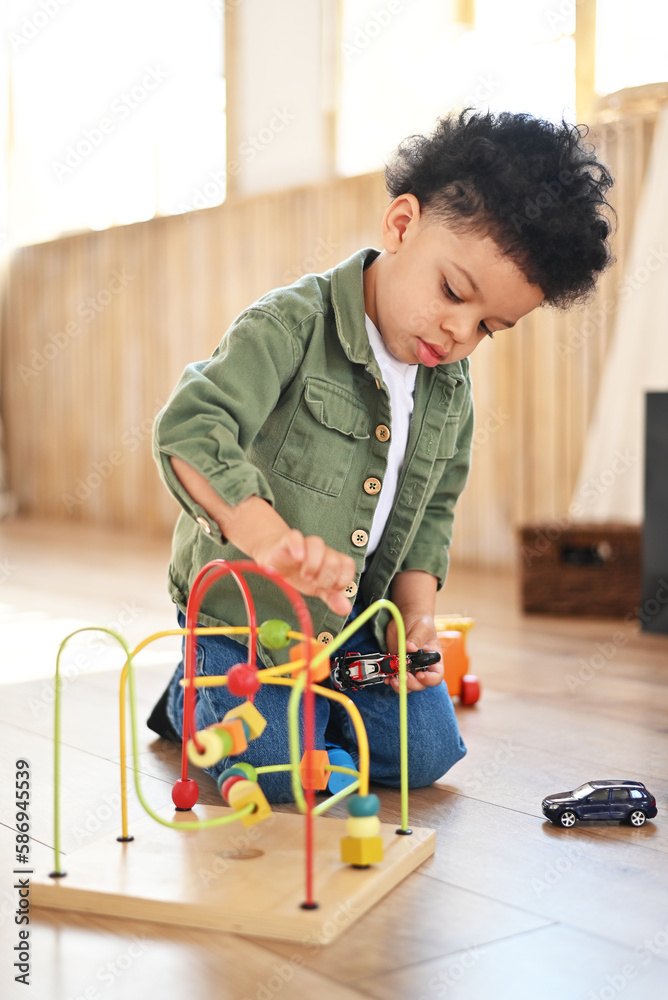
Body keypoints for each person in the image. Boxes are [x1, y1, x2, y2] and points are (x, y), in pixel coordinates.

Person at [147, 109, 614, 802]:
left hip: (352, 631)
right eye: (454, 292)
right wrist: (267, 539)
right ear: (401, 225)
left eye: (489, 327)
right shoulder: (288, 326)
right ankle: (198, 688)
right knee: (277, 772)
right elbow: (188, 428)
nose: (460, 331)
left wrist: (416, 618)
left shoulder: (450, 390)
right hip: (247, 622)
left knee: (428, 753)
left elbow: (432, 515)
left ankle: (315, 710)